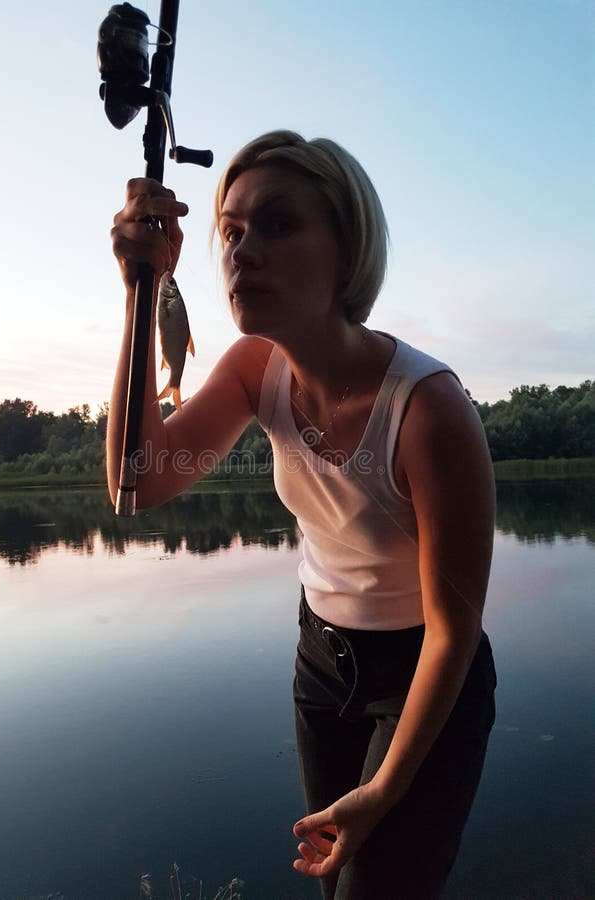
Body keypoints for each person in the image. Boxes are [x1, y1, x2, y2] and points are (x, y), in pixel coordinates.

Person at [107, 130, 497, 900]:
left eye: (279, 225)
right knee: (335, 887)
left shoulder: (427, 410)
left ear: (346, 254)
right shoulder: (257, 369)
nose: (242, 252)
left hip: (423, 675)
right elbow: (138, 482)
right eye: (231, 232)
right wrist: (141, 291)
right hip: (320, 665)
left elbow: (453, 631)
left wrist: (383, 790)